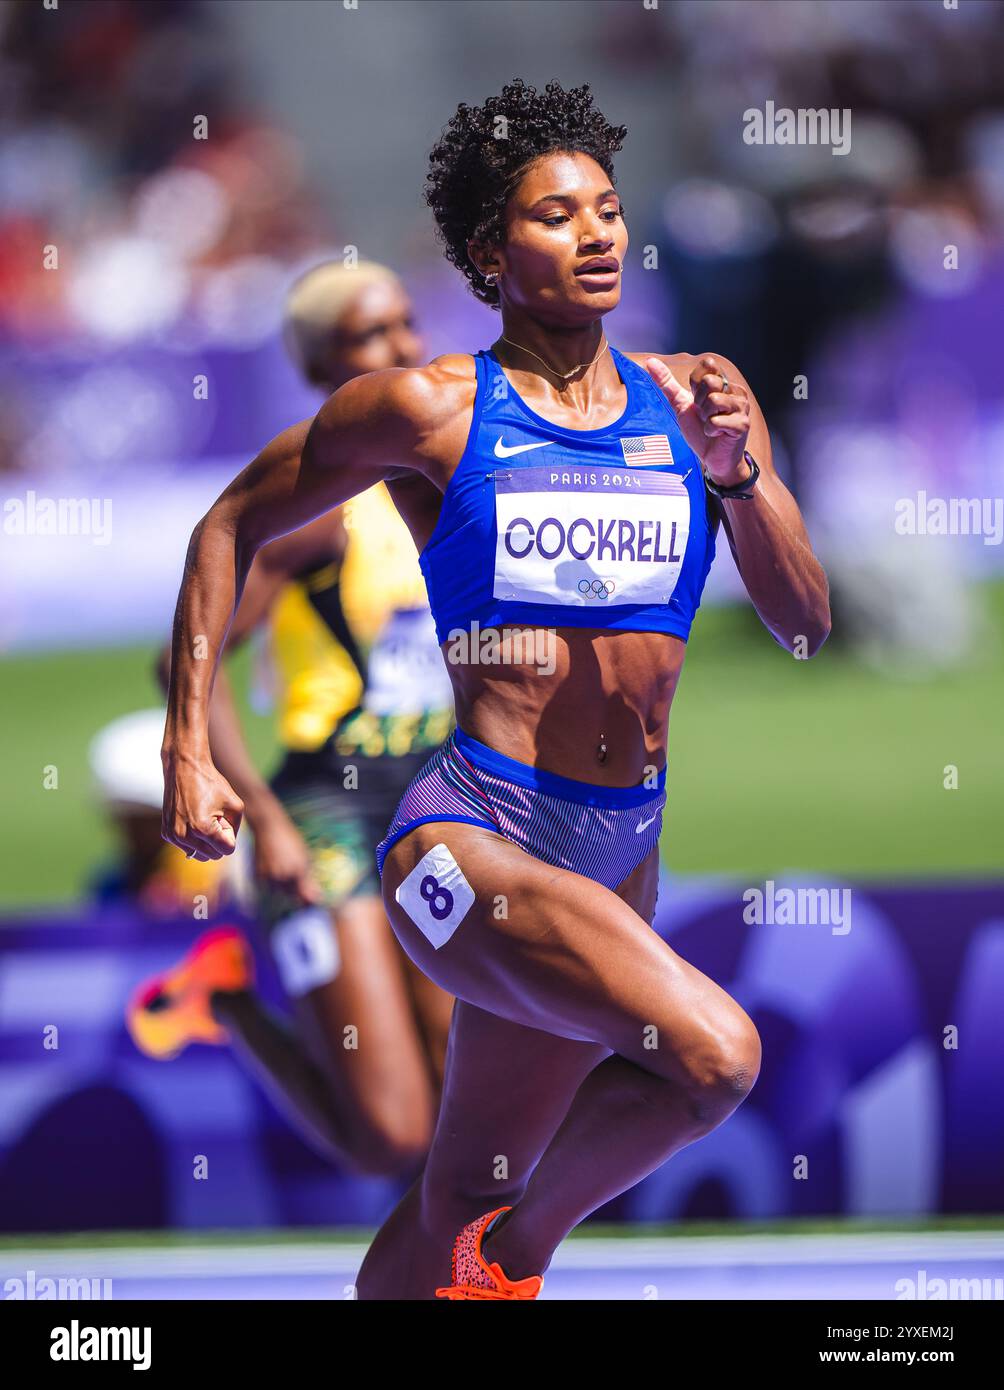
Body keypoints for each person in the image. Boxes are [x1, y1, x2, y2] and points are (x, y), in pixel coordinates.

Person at [161, 79, 830, 1299]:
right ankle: (508, 1267)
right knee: (712, 1059)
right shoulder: (430, 410)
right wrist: (185, 748)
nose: (595, 234)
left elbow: (802, 624)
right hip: (469, 840)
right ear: (487, 251)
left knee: (458, 1184)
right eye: (556, 215)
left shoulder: (696, 401)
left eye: (610, 211)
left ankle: (468, 1250)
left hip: (618, 851)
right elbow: (227, 525)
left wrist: (740, 479)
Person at [131, 262, 455, 1177]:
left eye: (403, 324)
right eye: (367, 337)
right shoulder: (321, 511)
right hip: (328, 815)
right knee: (392, 1136)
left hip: (442, 806)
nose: (398, 349)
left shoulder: (446, 476)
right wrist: (261, 820)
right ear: (319, 363)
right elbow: (181, 659)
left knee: (473, 1113)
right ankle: (227, 998)